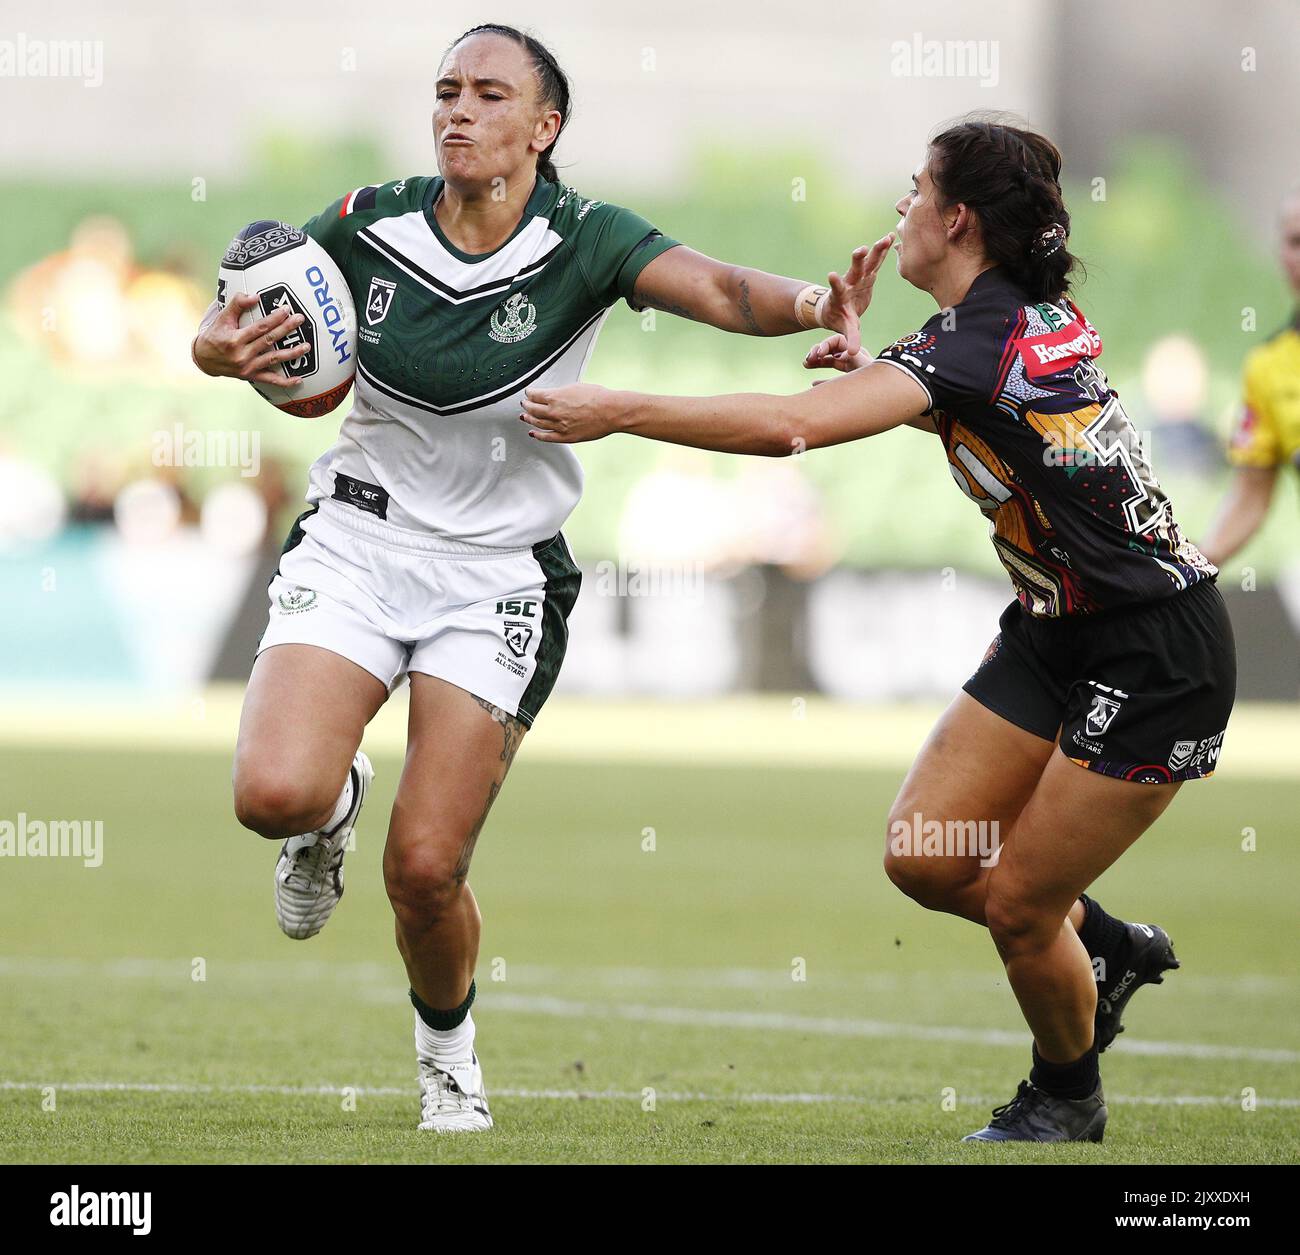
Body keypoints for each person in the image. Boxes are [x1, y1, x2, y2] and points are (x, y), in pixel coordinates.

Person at [191, 23, 885, 1132]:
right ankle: (325, 817)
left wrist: (818, 305)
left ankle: (447, 1062)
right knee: (268, 794)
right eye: (445, 91)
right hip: (360, 543)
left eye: (487, 94)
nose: (457, 111)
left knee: (424, 868)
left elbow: (715, 286)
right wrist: (209, 352)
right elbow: (234, 317)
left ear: (543, 127)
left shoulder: (586, 237)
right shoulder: (369, 220)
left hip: (496, 577)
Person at [520, 116, 1237, 1144]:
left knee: (1019, 906)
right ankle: (1107, 945)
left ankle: (1065, 1095)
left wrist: (620, 407)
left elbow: (789, 427)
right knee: (926, 855)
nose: (899, 209)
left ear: (956, 219)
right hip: (1053, 628)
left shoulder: (975, 338)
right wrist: (874, 364)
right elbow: (984, 402)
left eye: (915, 190)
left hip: (1154, 649)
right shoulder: (1008, 321)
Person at [1200, 183, 1300, 565]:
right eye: (1296, 241)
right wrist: (1194, 566)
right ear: (1281, 254)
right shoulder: (1268, 366)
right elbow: (1251, 493)